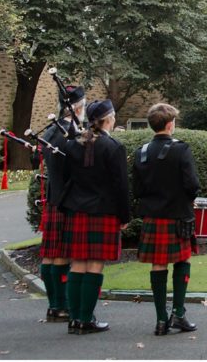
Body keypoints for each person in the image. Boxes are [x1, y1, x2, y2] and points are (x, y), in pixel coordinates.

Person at [57, 99, 129, 334]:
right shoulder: (113, 147)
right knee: (95, 264)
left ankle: (74, 319)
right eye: (113, 116)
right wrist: (124, 216)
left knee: (77, 263)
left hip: (76, 209)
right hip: (103, 211)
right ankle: (86, 319)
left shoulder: (72, 144)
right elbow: (121, 186)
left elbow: (66, 178)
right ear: (108, 119)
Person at [132, 103, 200, 336]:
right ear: (170, 124)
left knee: (158, 264)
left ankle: (161, 320)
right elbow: (192, 184)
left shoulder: (141, 151)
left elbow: (137, 189)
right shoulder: (181, 149)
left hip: (152, 216)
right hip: (178, 214)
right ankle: (178, 314)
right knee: (183, 260)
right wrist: (188, 199)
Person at [32, 85, 86, 323]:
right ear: (78, 107)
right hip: (68, 198)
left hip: (53, 195)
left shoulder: (51, 131)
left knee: (50, 254)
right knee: (62, 254)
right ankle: (62, 305)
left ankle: (53, 305)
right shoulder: (69, 132)